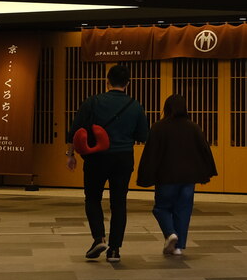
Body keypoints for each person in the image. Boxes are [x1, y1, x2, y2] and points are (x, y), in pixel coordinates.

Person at [65, 63, 148, 262]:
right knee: (119, 203)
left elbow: (75, 131)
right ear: (128, 83)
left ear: (107, 81)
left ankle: (99, 237)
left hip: (96, 157)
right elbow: (143, 135)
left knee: (92, 198)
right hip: (123, 158)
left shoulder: (92, 102)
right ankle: (115, 250)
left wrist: (70, 154)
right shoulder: (135, 105)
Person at [136, 93, 217, 258]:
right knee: (183, 210)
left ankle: (170, 233)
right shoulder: (193, 127)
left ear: (166, 108)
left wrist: (145, 175)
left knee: (161, 208)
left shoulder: (159, 127)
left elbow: (151, 153)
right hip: (188, 179)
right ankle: (178, 246)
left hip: (166, 178)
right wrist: (207, 171)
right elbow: (204, 151)